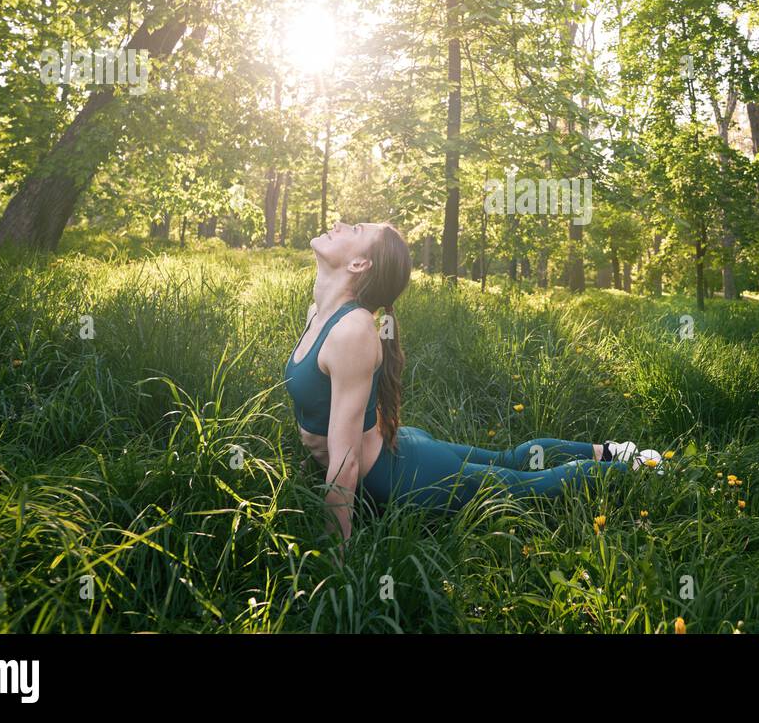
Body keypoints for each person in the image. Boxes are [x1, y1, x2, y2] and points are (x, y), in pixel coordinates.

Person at [283, 219, 663, 544]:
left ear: (359, 262)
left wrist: (336, 558)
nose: (341, 225)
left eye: (356, 228)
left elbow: (346, 464)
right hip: (399, 446)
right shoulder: (318, 312)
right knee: (509, 461)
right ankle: (613, 451)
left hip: (402, 476)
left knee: (520, 487)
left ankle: (629, 468)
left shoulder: (351, 330)